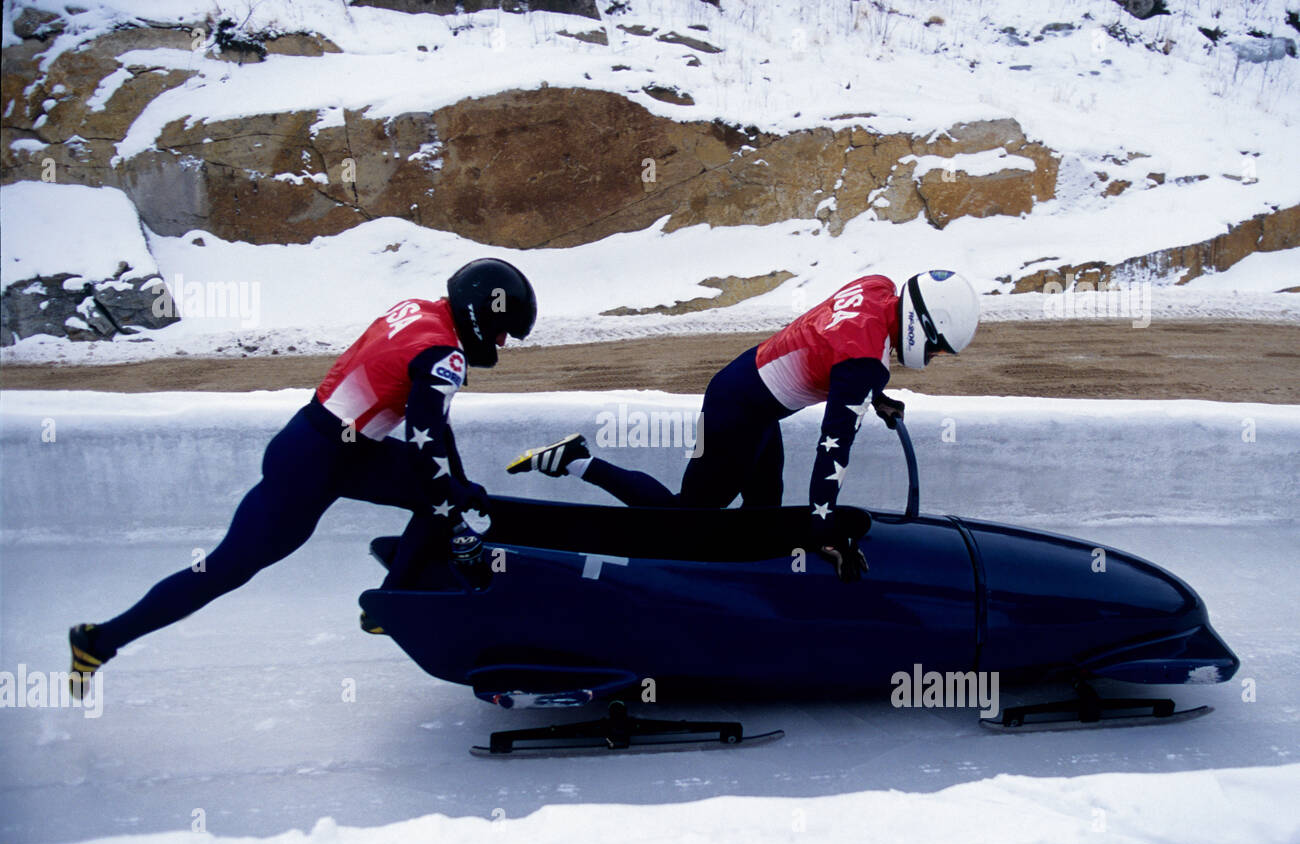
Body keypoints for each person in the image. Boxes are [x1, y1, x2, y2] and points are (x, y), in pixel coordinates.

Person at [68, 258, 536, 697]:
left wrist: (458, 486)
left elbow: (433, 429)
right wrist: (455, 492)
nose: (500, 344)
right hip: (320, 463)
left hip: (313, 442)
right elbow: (423, 443)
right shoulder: (441, 357)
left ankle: (389, 603)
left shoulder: (417, 311)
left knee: (447, 498)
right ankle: (100, 639)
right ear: (478, 316)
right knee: (225, 569)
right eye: (501, 332)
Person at [507, 270, 979, 581]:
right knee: (684, 520)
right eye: (937, 348)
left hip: (749, 397)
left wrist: (875, 396)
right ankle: (578, 461)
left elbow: (837, 343)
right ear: (921, 325)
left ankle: (753, 595)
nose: (934, 357)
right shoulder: (862, 366)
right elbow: (832, 449)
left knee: (760, 518)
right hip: (736, 414)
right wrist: (823, 531)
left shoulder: (877, 287)